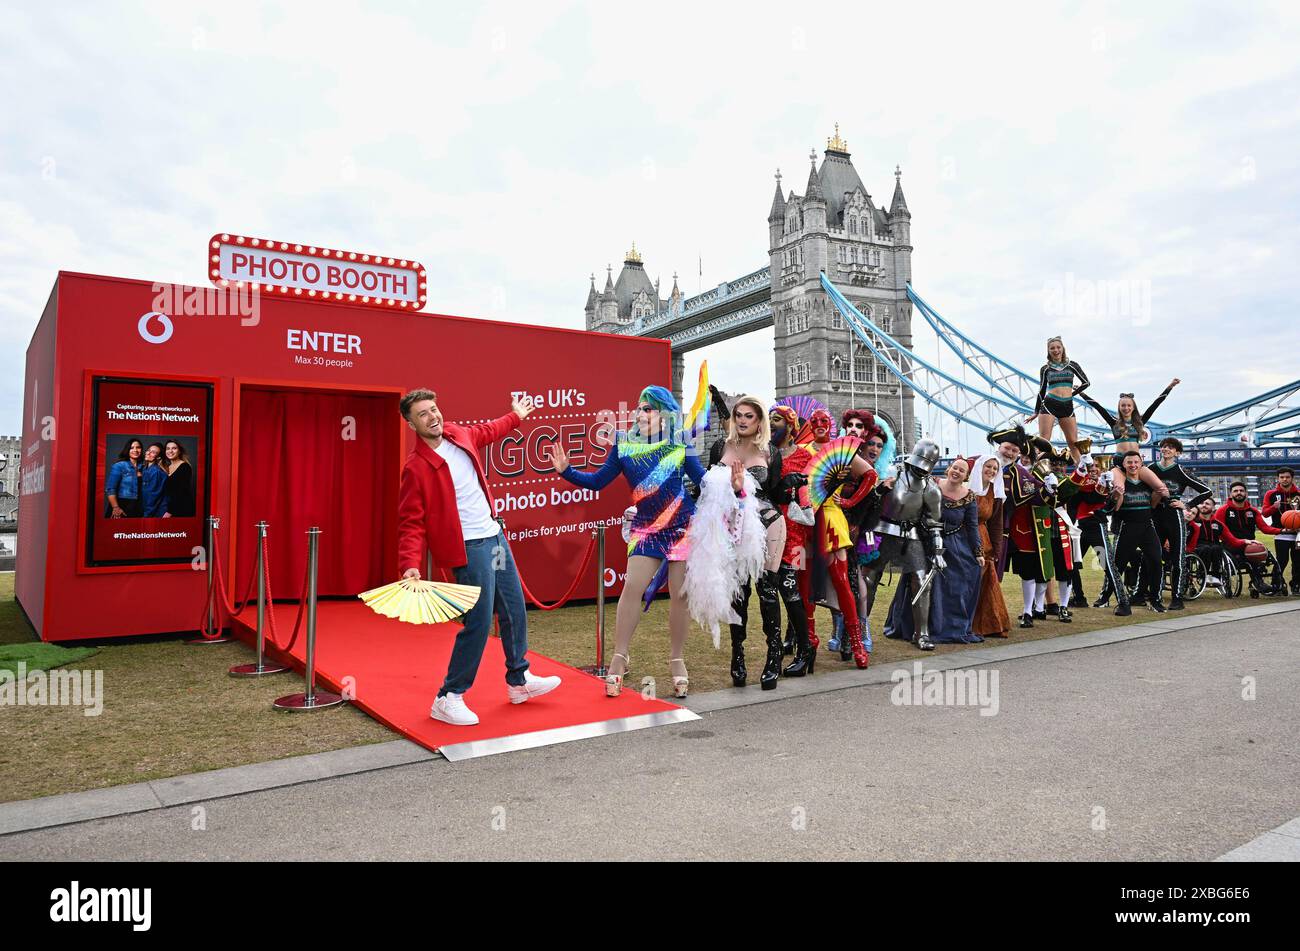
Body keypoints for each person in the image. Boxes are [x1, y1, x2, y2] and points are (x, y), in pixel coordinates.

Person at [398, 388, 560, 727]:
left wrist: (516, 416)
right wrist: (410, 565)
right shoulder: (415, 468)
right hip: (468, 550)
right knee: (479, 621)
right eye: (423, 414)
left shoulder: (458, 433)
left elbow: (490, 430)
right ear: (412, 424)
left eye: (434, 409)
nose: (433, 416)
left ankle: (519, 680)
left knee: (514, 607)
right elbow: (411, 522)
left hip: (494, 538)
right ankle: (448, 696)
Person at [549, 386, 705, 698]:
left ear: (664, 413)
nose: (641, 412)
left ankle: (677, 659)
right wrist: (567, 471)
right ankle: (619, 658)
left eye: (648, 408)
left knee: (679, 596)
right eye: (639, 407)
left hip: (682, 528)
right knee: (632, 587)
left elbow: (703, 480)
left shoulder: (680, 442)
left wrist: (736, 488)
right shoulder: (623, 443)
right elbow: (597, 482)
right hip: (646, 528)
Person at [701, 394, 786, 690]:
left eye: (749, 416)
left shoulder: (771, 452)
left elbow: (775, 492)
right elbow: (708, 491)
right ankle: (737, 657)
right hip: (731, 526)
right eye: (739, 415)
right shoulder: (719, 447)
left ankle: (773, 657)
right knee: (738, 592)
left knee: (767, 590)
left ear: (759, 420)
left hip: (768, 526)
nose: (743, 420)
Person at [855, 438, 946, 652]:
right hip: (882, 530)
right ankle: (859, 629)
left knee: (922, 581)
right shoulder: (892, 474)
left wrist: (938, 552)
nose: (919, 470)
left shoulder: (931, 490)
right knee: (867, 579)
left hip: (910, 534)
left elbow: (935, 523)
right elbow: (871, 500)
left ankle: (921, 633)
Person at [807, 408, 878, 668]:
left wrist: (849, 501)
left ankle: (857, 642)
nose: (819, 424)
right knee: (807, 586)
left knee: (842, 582)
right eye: (814, 421)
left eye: (824, 420)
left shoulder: (842, 450)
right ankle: (809, 640)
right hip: (808, 520)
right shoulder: (804, 451)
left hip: (833, 519)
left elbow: (871, 475)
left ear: (831, 424)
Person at [885, 456, 983, 643]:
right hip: (926, 540)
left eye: (962, 471)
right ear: (948, 469)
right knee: (921, 580)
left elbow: (972, 526)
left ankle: (950, 626)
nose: (956, 472)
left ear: (966, 476)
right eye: (955, 467)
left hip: (955, 545)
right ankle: (918, 629)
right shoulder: (931, 485)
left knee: (961, 577)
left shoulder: (969, 497)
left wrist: (978, 552)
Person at [1078, 383, 1179, 500]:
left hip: (1136, 461)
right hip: (1120, 460)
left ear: (1133, 407)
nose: (1126, 408)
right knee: (1119, 489)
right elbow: (1098, 407)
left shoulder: (1139, 422)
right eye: (1123, 406)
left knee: (1161, 488)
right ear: (1119, 408)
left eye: (1129, 405)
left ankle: (1156, 514)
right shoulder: (1113, 422)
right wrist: (1082, 393)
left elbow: (1155, 405)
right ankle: (1114, 514)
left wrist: (1169, 387)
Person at [1150, 437, 1212, 609]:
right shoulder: (1151, 468)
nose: (1166, 449)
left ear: (1177, 452)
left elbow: (1207, 491)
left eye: (1170, 447)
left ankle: (1177, 598)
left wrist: (1187, 505)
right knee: (1153, 556)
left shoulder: (1180, 471)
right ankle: (1150, 594)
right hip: (1154, 514)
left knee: (1178, 557)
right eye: (1163, 446)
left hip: (1173, 516)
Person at [1109, 450, 1166, 615]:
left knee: (1156, 561)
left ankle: (1155, 600)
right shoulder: (1119, 482)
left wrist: (1159, 493)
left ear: (1141, 464)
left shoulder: (1147, 482)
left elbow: (1153, 505)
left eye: (1136, 462)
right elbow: (1116, 509)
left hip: (1147, 527)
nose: (1133, 465)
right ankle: (1115, 599)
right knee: (1117, 565)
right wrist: (1116, 495)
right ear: (1124, 465)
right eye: (1129, 462)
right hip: (1127, 527)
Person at [1028, 336, 1091, 462]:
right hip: (1050, 404)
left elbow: (1086, 383)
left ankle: (1082, 473)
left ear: (1062, 348)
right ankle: (1036, 470)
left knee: (1073, 443)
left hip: (1067, 406)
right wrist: (1036, 411)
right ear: (1048, 351)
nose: (1055, 350)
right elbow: (1041, 390)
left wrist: (1072, 394)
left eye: (1058, 347)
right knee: (1044, 442)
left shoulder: (1072, 365)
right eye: (1052, 348)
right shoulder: (1045, 369)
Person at [1214, 481, 1282, 595]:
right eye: (1235, 491)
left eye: (1241, 491)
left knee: (1259, 553)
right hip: (1231, 545)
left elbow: (1264, 528)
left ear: (1246, 493)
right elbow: (1219, 532)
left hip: (1251, 544)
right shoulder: (1222, 510)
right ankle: (1258, 582)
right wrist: (1239, 542)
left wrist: (1282, 530)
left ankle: (1267, 582)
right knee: (1251, 554)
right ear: (1230, 495)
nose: (1238, 493)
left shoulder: (1253, 511)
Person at [969, 454, 1010, 637]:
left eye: (995, 468)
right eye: (989, 466)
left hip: (984, 541)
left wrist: (997, 549)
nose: (991, 471)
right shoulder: (967, 489)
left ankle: (987, 625)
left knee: (986, 585)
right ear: (980, 467)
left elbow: (996, 523)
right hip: (965, 540)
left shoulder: (996, 492)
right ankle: (965, 623)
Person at [1262, 468, 1300, 594]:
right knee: (1281, 560)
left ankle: (1296, 585)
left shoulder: (1299, 493)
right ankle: (1276, 584)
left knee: (1298, 561)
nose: (1285, 479)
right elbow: (1265, 513)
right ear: (1278, 478)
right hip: (1281, 533)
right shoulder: (1271, 494)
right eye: (1282, 477)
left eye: (1287, 477)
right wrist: (1274, 507)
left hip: (1298, 534)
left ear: (1292, 478)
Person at [105, 438, 145, 518]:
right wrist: (116, 507)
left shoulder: (144, 467)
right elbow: (110, 489)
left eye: (138, 447)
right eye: (132, 447)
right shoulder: (119, 466)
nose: (135, 450)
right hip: (122, 505)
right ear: (127, 450)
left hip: (138, 506)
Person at [162, 439, 195, 517]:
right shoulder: (168, 467)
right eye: (168, 448)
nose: (170, 451)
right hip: (170, 507)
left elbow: (181, 492)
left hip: (181, 509)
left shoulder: (184, 466)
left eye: (174, 448)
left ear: (179, 451)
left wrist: (170, 511)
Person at [141, 443, 169, 517]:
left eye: (153, 452)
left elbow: (153, 498)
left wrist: (146, 516)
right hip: (147, 509)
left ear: (158, 458)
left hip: (156, 512)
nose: (148, 453)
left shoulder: (156, 472)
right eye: (148, 450)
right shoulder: (144, 469)